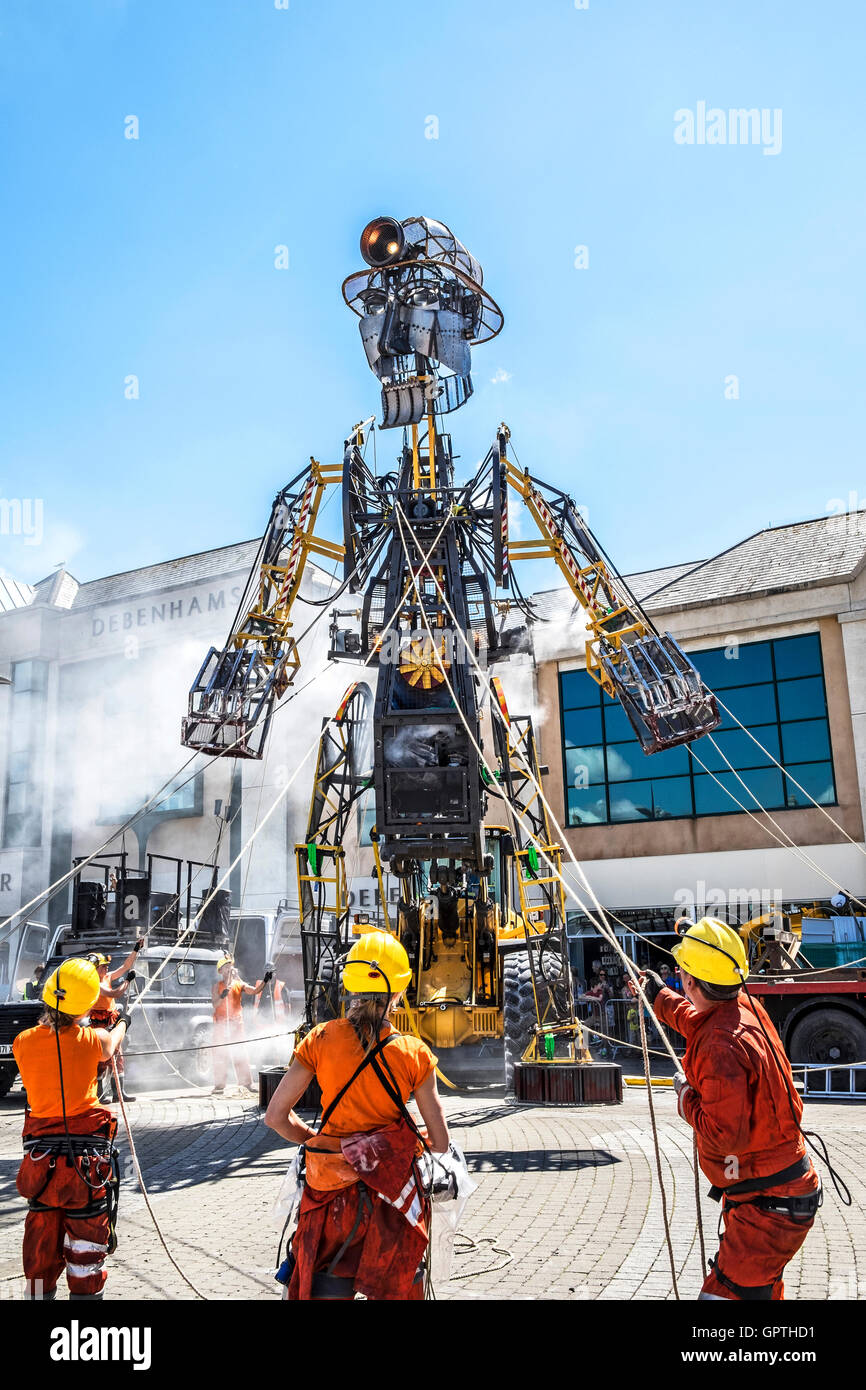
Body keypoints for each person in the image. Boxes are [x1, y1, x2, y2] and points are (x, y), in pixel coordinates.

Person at [632, 917, 821, 1301]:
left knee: (724, 1297)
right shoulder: (743, 1008)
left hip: (768, 1210)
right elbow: (697, 1021)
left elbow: (722, 1135)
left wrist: (686, 1098)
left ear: (689, 980)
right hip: (778, 1197)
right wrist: (657, 997)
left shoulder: (720, 1045)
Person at [264, 930, 449, 1301]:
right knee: (401, 1286)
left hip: (330, 1197)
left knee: (321, 1286)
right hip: (393, 1201)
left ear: (349, 987)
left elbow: (275, 1117)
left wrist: (321, 1143)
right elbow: (441, 1141)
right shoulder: (414, 1053)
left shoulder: (320, 1039)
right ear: (398, 993)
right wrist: (401, 1149)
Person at [12, 957, 127, 1300]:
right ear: (88, 1003)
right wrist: (122, 1021)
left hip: (42, 1165)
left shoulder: (23, 1041)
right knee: (87, 1246)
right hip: (85, 1168)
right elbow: (110, 1044)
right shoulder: (92, 1040)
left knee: (39, 1247)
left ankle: (36, 1295)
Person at [88, 941, 143, 1104]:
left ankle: (119, 1093)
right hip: (99, 1022)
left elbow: (126, 965)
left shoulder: (106, 977)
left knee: (118, 1056)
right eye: (103, 967)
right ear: (95, 968)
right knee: (102, 1057)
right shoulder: (95, 983)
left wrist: (135, 950)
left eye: (106, 966)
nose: (106, 969)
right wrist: (127, 982)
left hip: (111, 1018)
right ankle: (99, 1094)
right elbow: (114, 993)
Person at [211, 954, 272, 1095]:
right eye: (225, 967)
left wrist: (265, 981)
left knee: (241, 1053)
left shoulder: (239, 984)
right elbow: (215, 1004)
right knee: (220, 1054)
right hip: (221, 1025)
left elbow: (254, 991)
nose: (229, 969)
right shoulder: (217, 987)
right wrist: (222, 996)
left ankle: (247, 1083)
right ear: (220, 971)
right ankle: (219, 1085)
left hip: (236, 1024)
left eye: (229, 966)